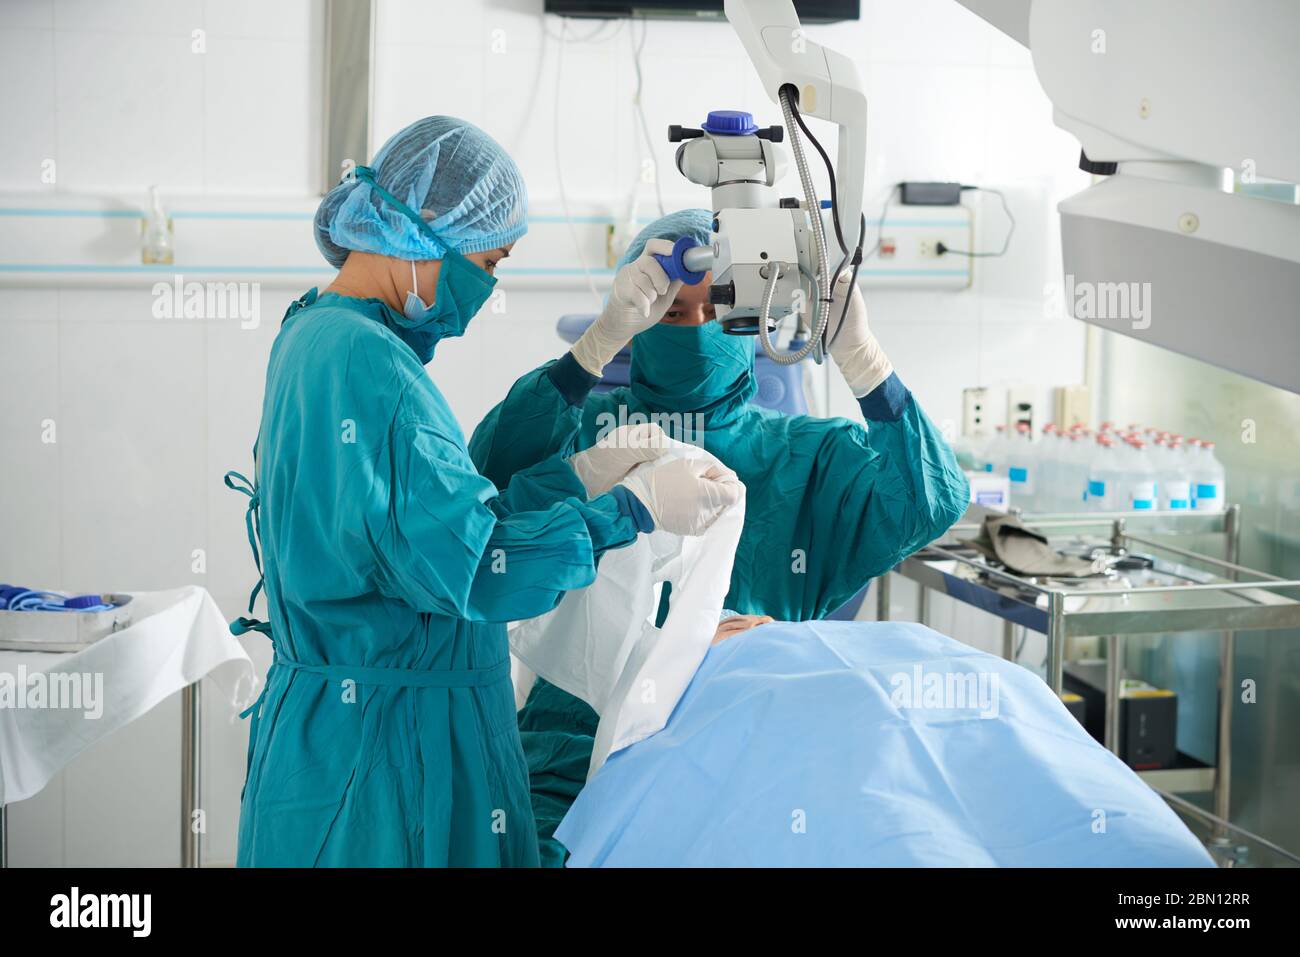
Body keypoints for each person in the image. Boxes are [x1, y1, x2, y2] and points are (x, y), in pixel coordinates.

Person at [231, 121, 740, 867]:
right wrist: (632, 511)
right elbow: (481, 566)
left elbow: (430, 524)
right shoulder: (370, 367)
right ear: (427, 232)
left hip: (340, 735)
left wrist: (577, 475)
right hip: (389, 755)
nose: (490, 284)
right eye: (491, 259)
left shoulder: (319, 333)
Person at [470, 208, 970, 864]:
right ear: (640, 322)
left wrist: (863, 360)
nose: (698, 332)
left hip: (746, 738)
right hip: (575, 745)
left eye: (717, 312)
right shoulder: (593, 431)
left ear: (752, 323)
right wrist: (594, 345)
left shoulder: (804, 454)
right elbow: (491, 478)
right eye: (674, 314)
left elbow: (928, 502)